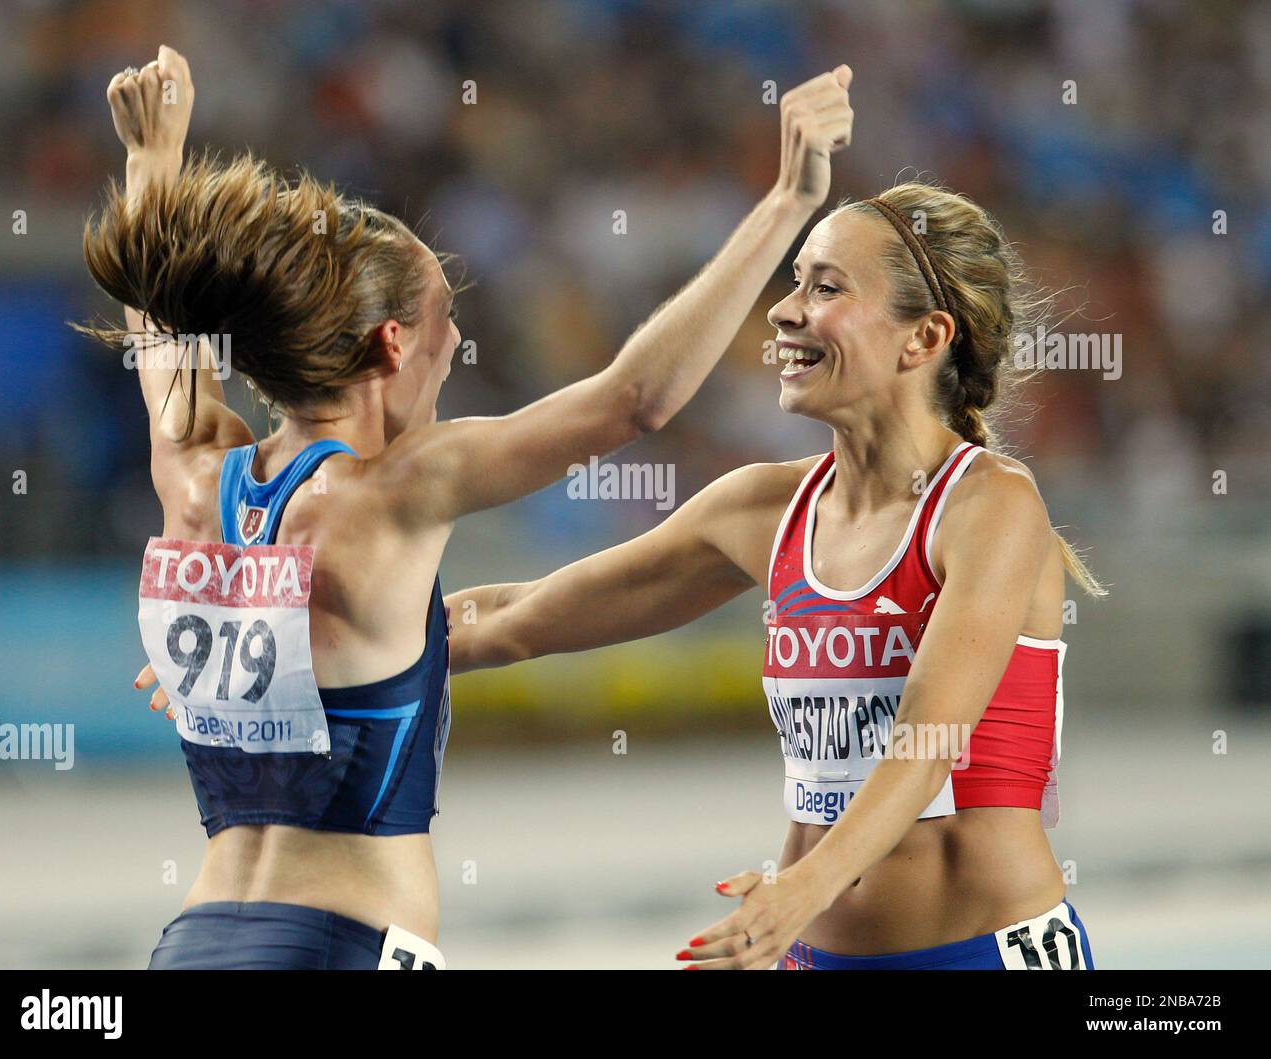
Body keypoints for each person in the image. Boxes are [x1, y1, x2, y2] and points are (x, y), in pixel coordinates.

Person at [95, 46, 855, 968]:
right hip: (342, 941)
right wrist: (788, 203)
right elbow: (632, 401)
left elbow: (162, 334)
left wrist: (150, 162)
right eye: (444, 316)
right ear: (390, 342)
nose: (457, 344)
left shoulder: (193, 475)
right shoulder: (396, 489)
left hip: (195, 937)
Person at [444, 181, 1104, 970]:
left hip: (982, 954)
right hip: (806, 953)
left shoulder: (991, 505)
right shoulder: (760, 508)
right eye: (794, 283)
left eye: (825, 287)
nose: (786, 312)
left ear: (923, 338)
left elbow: (926, 742)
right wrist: (336, 633)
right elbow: (520, 614)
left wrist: (800, 888)